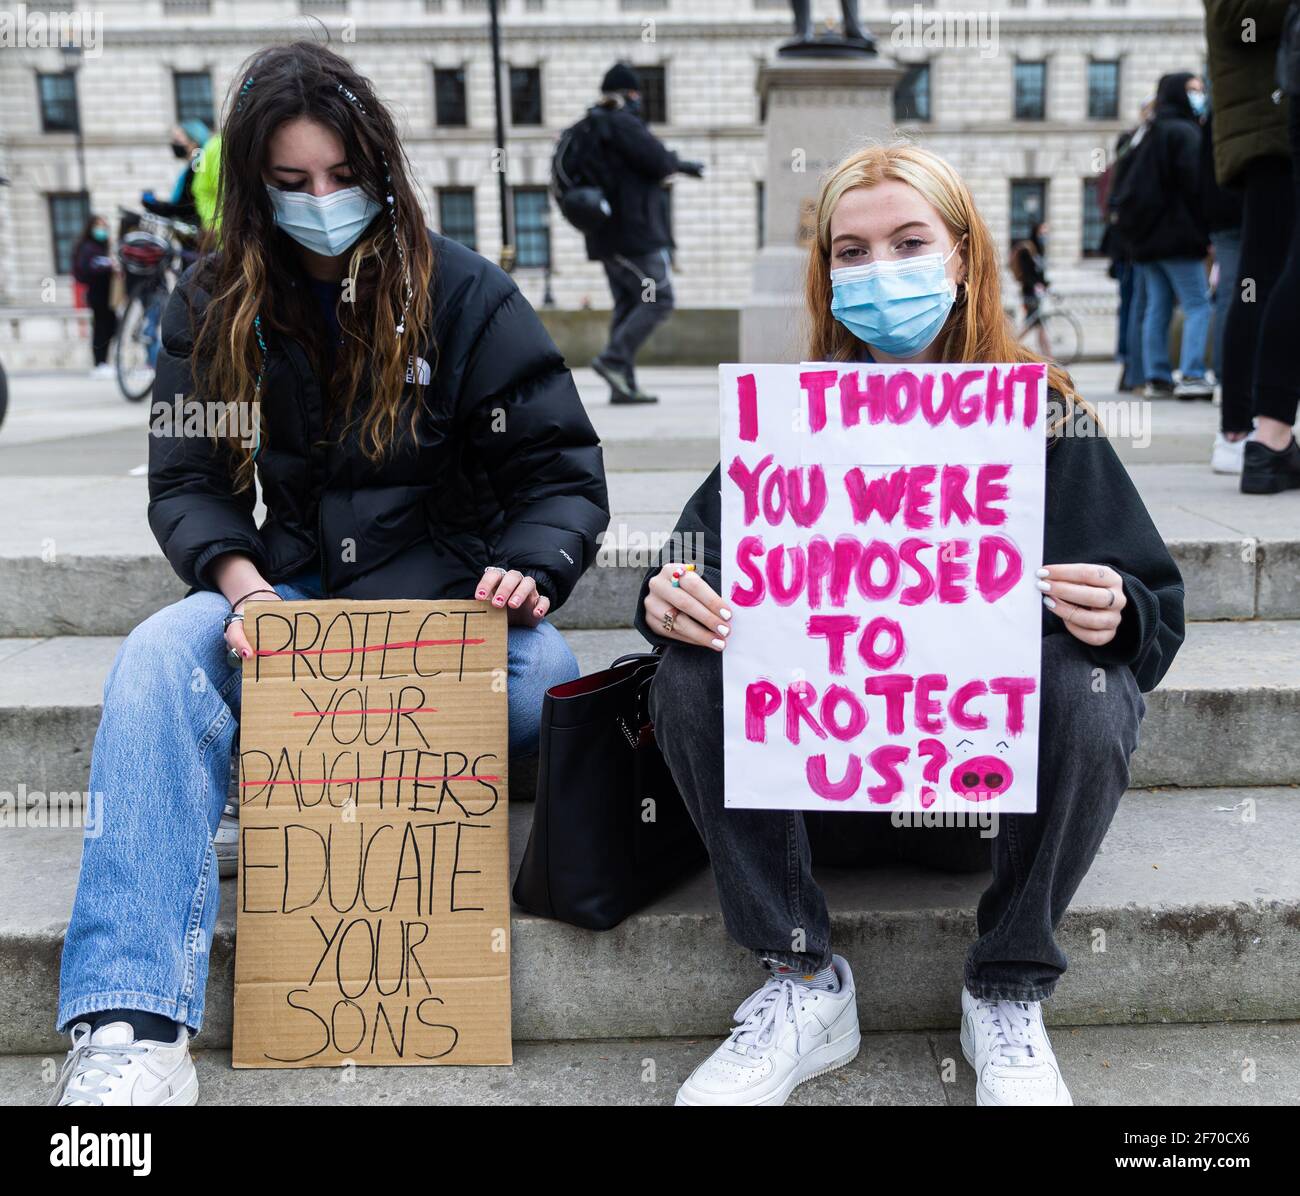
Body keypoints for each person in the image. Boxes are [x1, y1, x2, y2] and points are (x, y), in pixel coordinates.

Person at [51, 41, 609, 1106]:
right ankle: (131, 1022)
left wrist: (529, 568)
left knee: (548, 679)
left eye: (342, 177)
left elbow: (560, 474)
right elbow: (187, 479)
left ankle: (301, 783)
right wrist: (242, 582)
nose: (321, 202)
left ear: (380, 169)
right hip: (294, 603)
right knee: (157, 659)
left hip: (452, 616)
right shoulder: (211, 300)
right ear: (256, 185)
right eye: (292, 181)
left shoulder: (468, 293)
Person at [635, 144, 1185, 1107]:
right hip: (813, 793)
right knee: (682, 670)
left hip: (979, 791)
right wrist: (669, 594)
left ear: (964, 257)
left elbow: (1158, 611)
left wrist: (1120, 611)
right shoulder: (797, 419)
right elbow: (698, 561)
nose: (879, 269)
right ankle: (801, 979)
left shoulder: (1043, 419)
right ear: (827, 274)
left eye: (908, 242)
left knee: (1095, 685)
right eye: (851, 250)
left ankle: (1007, 985)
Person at [1206, 0, 1300, 493]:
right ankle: (1244, 430)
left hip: (1268, 124)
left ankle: (1253, 430)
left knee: (1260, 277)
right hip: (1267, 130)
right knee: (1258, 280)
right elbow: (1234, 21)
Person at [582, 62, 704, 405]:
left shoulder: (596, 125)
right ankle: (613, 359)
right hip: (632, 233)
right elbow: (657, 159)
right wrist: (679, 163)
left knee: (628, 303)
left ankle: (623, 385)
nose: (639, 99)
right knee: (659, 297)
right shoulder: (622, 122)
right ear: (628, 93)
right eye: (636, 92)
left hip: (605, 233)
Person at [1128, 72, 1214, 401]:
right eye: (1193, 89)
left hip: (1147, 241)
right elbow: (1196, 187)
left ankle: (1157, 377)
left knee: (1157, 308)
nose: (1199, 94)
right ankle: (1192, 374)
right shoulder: (1185, 132)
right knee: (1198, 304)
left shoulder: (1147, 132)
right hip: (1179, 237)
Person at [1198, 103, 1244, 471]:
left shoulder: (1212, 114)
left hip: (1223, 216)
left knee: (1231, 297)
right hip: (1244, 210)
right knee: (1239, 298)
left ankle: (1225, 380)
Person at [71, 214, 117, 377]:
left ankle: (104, 361)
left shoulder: (103, 246)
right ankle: (99, 363)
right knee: (100, 328)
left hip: (107, 294)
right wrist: (106, 267)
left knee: (110, 326)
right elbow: (85, 270)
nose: (102, 229)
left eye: (104, 226)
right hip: (97, 293)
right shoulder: (87, 247)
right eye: (99, 226)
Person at [141, 121, 210, 228]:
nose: (174, 144)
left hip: (195, 233)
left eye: (178, 140)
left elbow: (186, 207)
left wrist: (155, 205)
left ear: (194, 143)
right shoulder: (195, 166)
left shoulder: (197, 168)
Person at [1009, 220, 1050, 357]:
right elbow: (1028, 274)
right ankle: (1010, 346)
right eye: (1044, 230)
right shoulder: (1028, 249)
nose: (1046, 234)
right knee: (1031, 323)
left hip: (1036, 294)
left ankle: (1048, 356)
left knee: (1038, 325)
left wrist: (1045, 284)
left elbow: (1039, 273)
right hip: (1030, 294)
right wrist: (1037, 285)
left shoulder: (1038, 249)